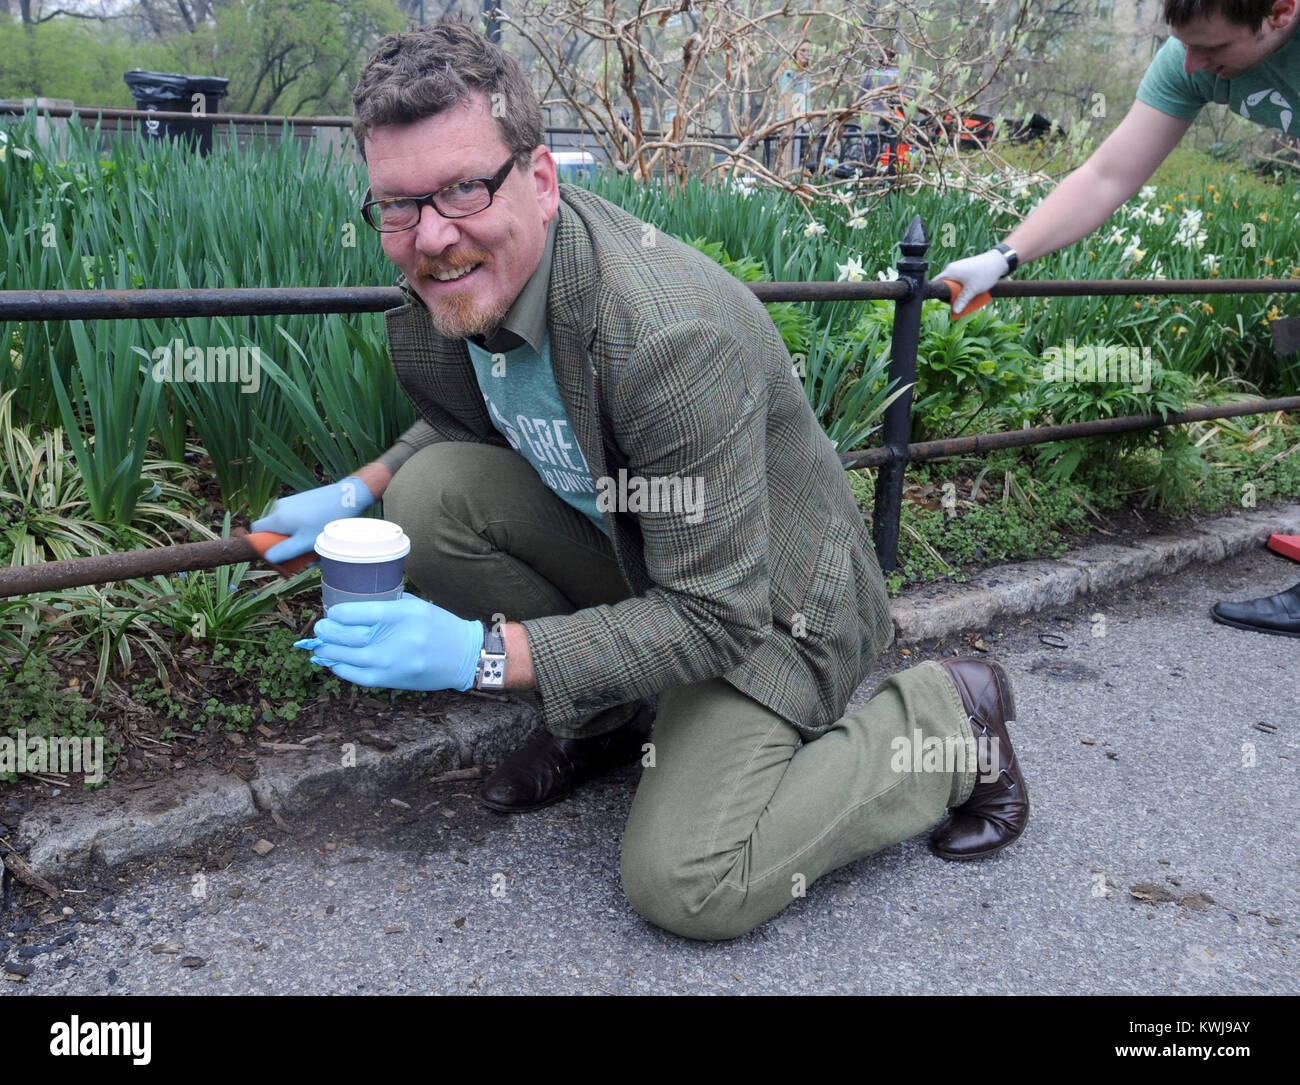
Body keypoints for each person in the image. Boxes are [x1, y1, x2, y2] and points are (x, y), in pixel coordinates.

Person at [252, 19, 1029, 941]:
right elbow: (483, 413)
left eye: (463, 188)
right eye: (398, 203)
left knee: (689, 885)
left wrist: (480, 657)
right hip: (645, 551)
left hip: (768, 608)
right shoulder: (464, 286)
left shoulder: (666, 338)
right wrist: (357, 488)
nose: (430, 237)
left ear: (541, 181)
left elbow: (716, 614)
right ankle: (607, 714)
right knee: (429, 501)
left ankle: (948, 717)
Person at [937, 0, 1300, 639]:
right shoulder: (1189, 59)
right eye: (1186, 47)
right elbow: (1107, 175)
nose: (1194, 64)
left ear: (1280, 12)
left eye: (1212, 50)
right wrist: (1002, 257)